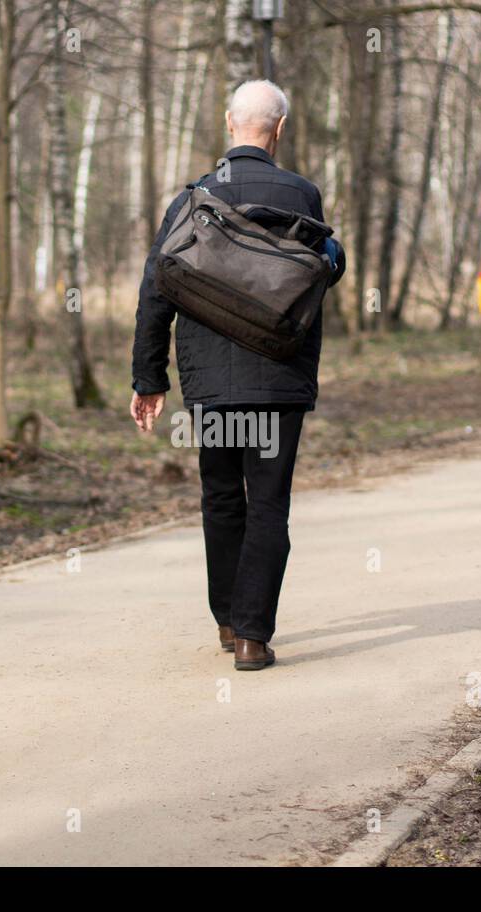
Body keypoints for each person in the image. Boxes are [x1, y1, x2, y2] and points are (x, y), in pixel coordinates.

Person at [130, 79, 345, 671]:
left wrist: (149, 377)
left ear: (230, 124)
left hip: (212, 384)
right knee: (269, 502)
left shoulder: (194, 198)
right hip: (278, 379)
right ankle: (252, 637)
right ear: (279, 129)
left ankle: (226, 619)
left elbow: (156, 289)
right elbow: (322, 270)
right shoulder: (303, 194)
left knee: (222, 496)